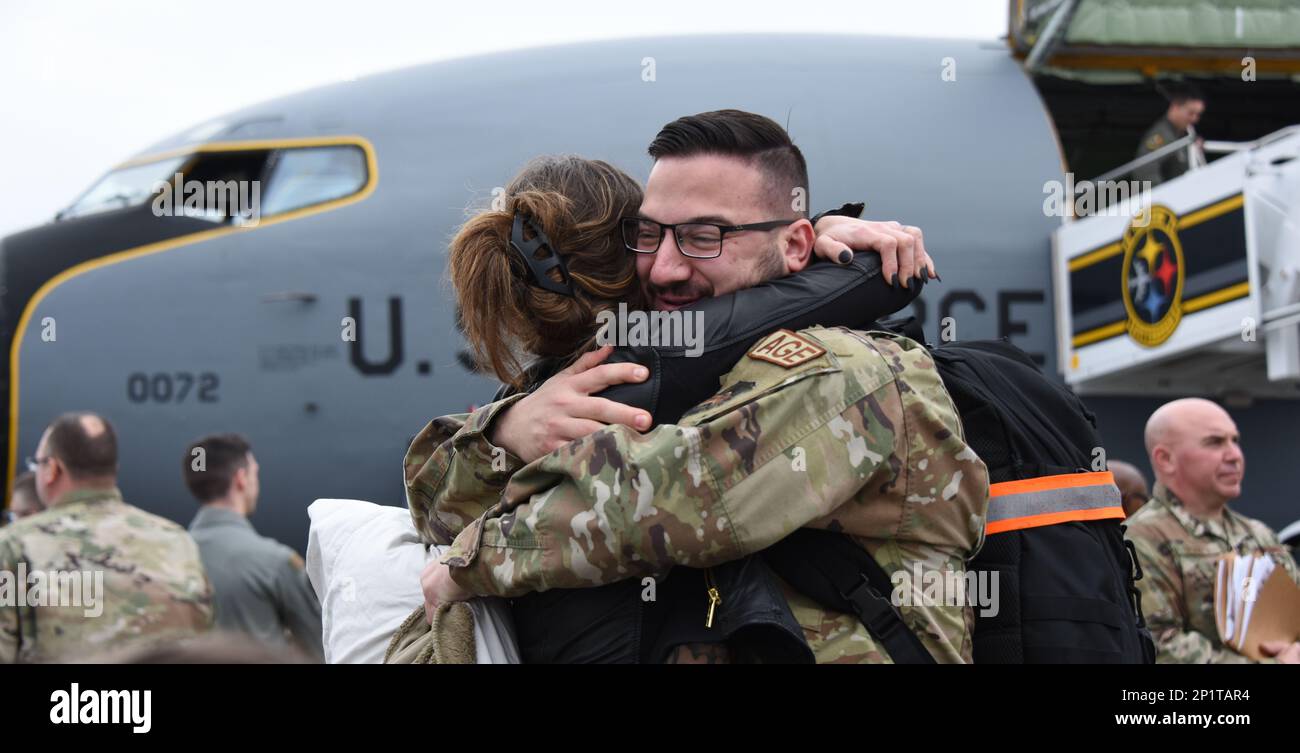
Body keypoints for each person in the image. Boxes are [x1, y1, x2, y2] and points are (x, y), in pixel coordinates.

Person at [413, 110, 989, 663]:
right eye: (649, 235)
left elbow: (668, 497)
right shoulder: (692, 368)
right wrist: (511, 430)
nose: (664, 267)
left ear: (794, 244)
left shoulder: (845, 369)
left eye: (703, 236)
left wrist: (471, 563)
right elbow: (433, 501)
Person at [0, 412, 212, 663]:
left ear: (52, 470)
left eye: (38, 464)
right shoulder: (177, 541)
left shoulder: (16, 545)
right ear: (114, 470)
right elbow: (205, 641)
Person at [1126, 398, 1300, 663]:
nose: (1234, 455)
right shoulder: (1140, 539)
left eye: (1235, 440)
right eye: (1215, 442)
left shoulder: (1259, 534)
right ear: (1166, 459)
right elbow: (1159, 645)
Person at [185, 433, 323, 660]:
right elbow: (319, 648)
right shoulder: (274, 562)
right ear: (241, 479)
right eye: (254, 474)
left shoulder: (169, 560)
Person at [1132, 82, 1206, 187]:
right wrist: (1164, 197)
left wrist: (1194, 151)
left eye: (1198, 114)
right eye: (1190, 113)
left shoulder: (1185, 135)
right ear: (1175, 107)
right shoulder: (1161, 135)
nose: (1194, 119)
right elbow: (1144, 170)